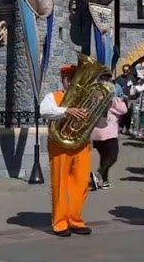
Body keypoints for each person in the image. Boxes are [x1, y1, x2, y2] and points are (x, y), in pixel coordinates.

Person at [39, 64, 99, 236]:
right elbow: (44, 111)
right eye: (70, 78)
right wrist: (67, 111)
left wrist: (100, 102)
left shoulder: (88, 98)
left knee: (81, 185)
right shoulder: (54, 96)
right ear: (64, 80)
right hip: (60, 145)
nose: (73, 81)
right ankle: (60, 223)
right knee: (60, 183)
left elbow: (101, 123)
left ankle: (75, 220)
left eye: (77, 77)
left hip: (81, 145)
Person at [89, 71, 128, 190]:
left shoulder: (103, 98)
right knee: (112, 157)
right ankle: (98, 174)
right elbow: (124, 110)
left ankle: (104, 181)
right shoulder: (107, 99)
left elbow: (123, 110)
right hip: (108, 134)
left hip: (98, 134)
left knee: (104, 158)